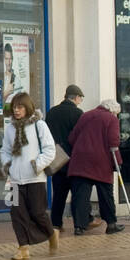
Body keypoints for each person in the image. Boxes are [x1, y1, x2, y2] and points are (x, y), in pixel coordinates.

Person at [1, 92, 57, 260]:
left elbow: (49, 150)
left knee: (38, 213)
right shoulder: (10, 128)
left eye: (20, 107)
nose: (16, 111)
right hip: (15, 180)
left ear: (27, 107)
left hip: (35, 179)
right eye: (14, 108)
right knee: (17, 214)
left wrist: (37, 165)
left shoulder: (39, 125)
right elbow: (5, 150)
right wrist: (8, 165)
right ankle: (23, 247)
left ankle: (51, 233)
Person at [66, 98, 124, 234]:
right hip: (101, 162)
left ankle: (79, 227)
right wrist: (118, 162)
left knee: (80, 195)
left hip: (80, 160)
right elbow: (114, 142)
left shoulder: (86, 115)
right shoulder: (111, 119)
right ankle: (111, 224)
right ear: (113, 111)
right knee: (106, 193)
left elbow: (72, 137)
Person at [45, 85, 84, 230]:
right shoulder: (78, 113)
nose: (81, 100)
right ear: (76, 97)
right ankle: (79, 224)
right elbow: (81, 137)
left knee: (59, 195)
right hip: (73, 159)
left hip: (56, 159)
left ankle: (56, 223)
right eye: (81, 97)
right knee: (77, 194)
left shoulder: (52, 112)